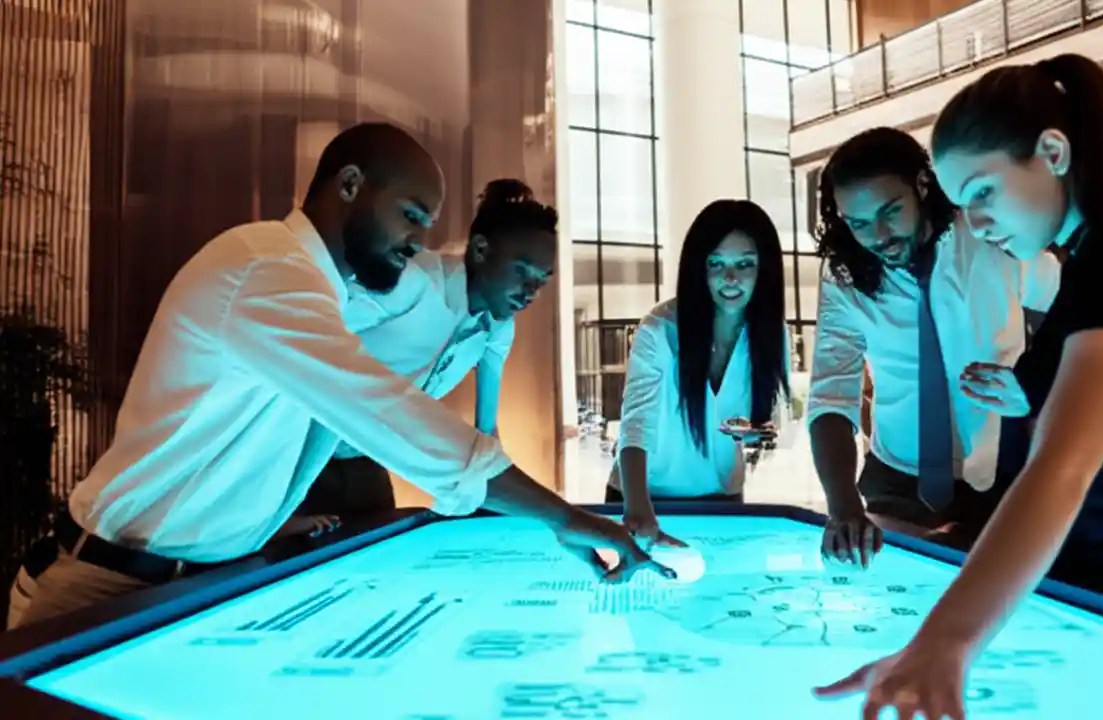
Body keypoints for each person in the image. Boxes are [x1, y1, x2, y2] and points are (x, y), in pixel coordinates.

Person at [7, 123, 666, 630]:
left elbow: (317, 417)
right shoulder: (266, 269)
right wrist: (563, 517)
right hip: (102, 585)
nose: (417, 242)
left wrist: (264, 521)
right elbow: (380, 406)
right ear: (349, 184)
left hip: (200, 575)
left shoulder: (321, 290)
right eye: (410, 216)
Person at [814, 54, 1103, 719]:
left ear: (1053, 152)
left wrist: (944, 641)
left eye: (982, 193)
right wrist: (1025, 394)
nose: (972, 223)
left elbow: (1063, 471)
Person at [807, 127, 1059, 567]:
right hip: (894, 480)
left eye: (891, 212)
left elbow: (1072, 305)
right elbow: (831, 396)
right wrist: (843, 505)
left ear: (922, 186)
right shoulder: (844, 277)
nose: (879, 235)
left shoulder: (988, 234)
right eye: (859, 223)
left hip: (1001, 476)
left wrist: (1036, 380)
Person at [290, 178, 558, 523]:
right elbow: (308, 337)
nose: (531, 290)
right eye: (521, 270)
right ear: (480, 250)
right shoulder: (414, 282)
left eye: (543, 278)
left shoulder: (498, 327)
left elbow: (486, 431)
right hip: (294, 446)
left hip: (364, 454)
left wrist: (494, 501)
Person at [609, 199, 790, 549]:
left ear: (764, 269)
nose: (730, 277)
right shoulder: (659, 329)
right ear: (699, 269)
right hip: (642, 496)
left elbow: (757, 420)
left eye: (745, 264)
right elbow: (635, 423)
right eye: (716, 263)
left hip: (721, 496)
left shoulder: (770, 333)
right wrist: (638, 508)